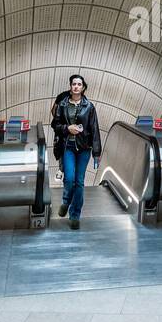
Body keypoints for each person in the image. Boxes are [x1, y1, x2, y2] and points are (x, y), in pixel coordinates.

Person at [50, 74, 101, 230]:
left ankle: (74, 215)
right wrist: (67, 128)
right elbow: (55, 125)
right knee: (70, 179)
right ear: (70, 86)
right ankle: (66, 201)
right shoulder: (63, 105)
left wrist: (97, 153)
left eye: (79, 84)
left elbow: (94, 129)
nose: (76, 86)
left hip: (84, 148)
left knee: (79, 182)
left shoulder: (89, 106)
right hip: (68, 147)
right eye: (74, 84)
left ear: (83, 87)